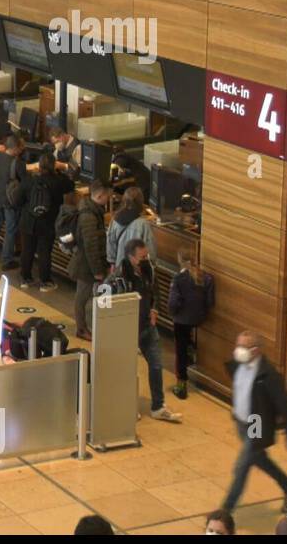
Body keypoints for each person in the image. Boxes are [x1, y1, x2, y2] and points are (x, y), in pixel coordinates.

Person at [220, 331, 287, 512]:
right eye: (237, 345)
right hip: (240, 420)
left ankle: (225, 511)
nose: (238, 350)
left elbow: (284, 404)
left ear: (255, 351)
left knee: (242, 466)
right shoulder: (238, 366)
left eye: (243, 347)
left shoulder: (268, 375)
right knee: (259, 459)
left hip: (256, 422)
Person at [114, 238, 181, 423]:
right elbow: (107, 301)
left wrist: (154, 309)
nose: (146, 259)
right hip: (128, 329)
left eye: (147, 255)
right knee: (128, 370)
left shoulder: (148, 269)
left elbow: (156, 291)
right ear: (131, 258)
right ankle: (127, 407)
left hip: (147, 327)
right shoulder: (119, 276)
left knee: (156, 365)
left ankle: (158, 407)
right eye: (142, 256)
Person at [15, 153, 74, 291]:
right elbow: (71, 184)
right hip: (47, 222)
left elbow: (17, 201)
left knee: (27, 250)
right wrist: (62, 168)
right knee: (45, 252)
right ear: (53, 166)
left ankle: (25, 279)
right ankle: (45, 282)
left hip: (28, 221)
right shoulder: (58, 182)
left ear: (39, 166)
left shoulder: (28, 180)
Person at [168, 249, 215, 400]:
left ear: (179, 260)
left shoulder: (178, 279)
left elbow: (173, 303)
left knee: (179, 349)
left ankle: (181, 386)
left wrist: (173, 313)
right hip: (199, 318)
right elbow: (210, 302)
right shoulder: (207, 278)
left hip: (182, 319)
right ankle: (191, 348)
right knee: (186, 336)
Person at [68, 181, 111, 341]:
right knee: (82, 297)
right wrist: (98, 271)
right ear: (99, 196)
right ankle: (81, 328)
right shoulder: (89, 217)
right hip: (86, 265)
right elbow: (91, 246)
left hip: (91, 263)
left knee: (98, 294)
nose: (109, 199)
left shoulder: (93, 210)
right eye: (107, 196)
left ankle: (99, 325)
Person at [0, 134, 25, 270]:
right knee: (10, 229)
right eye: (19, 148)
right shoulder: (17, 163)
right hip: (10, 201)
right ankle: (7, 260)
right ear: (14, 149)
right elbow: (24, 180)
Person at [106, 186, 157, 270]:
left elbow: (110, 244)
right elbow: (150, 250)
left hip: (120, 268)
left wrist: (113, 263)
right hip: (138, 269)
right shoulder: (143, 224)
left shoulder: (115, 220)